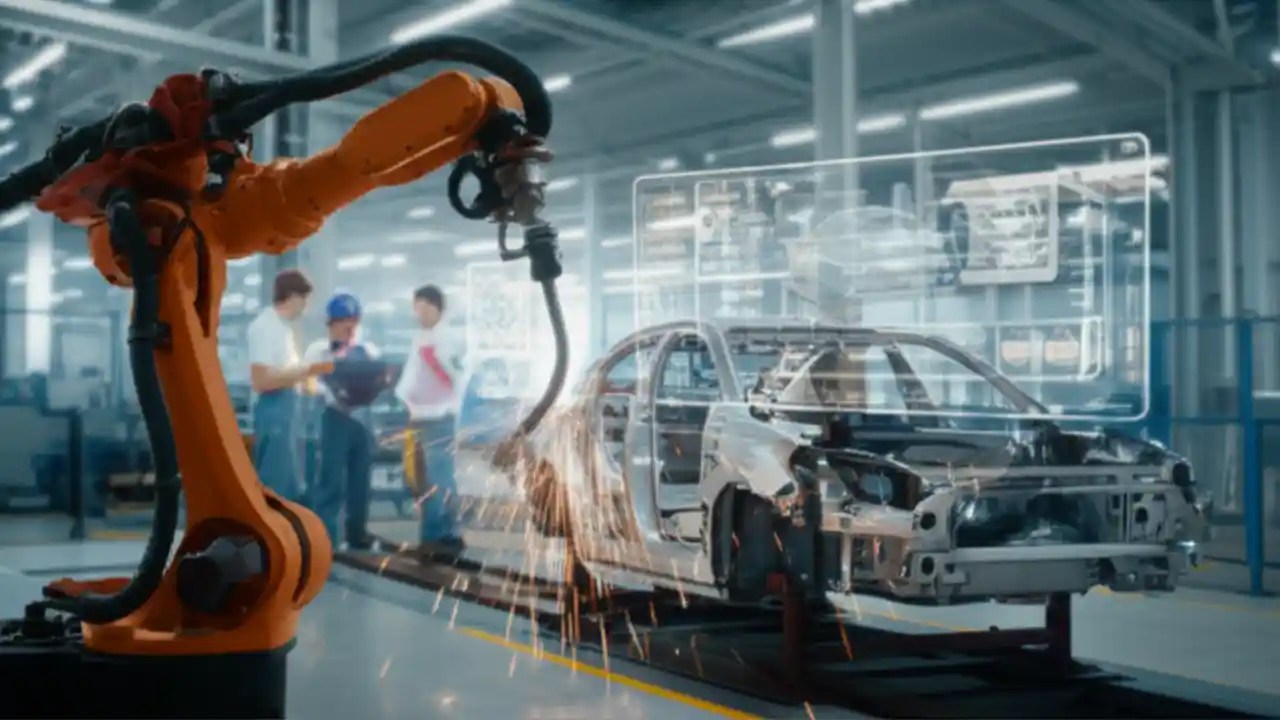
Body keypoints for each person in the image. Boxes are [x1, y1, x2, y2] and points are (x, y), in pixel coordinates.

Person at [302, 292, 392, 550]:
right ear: (331, 323)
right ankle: (324, 537)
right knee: (330, 480)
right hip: (333, 418)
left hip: (362, 420)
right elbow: (309, 381)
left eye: (353, 321)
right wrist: (332, 387)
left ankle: (357, 533)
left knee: (360, 480)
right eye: (343, 321)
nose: (349, 327)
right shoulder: (317, 351)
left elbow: (381, 378)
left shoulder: (369, 350)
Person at [396, 285, 465, 552]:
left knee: (440, 479)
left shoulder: (446, 338)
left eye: (425, 308)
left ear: (437, 307)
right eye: (417, 309)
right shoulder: (423, 338)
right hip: (419, 419)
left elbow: (454, 376)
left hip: (439, 419)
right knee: (422, 482)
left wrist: (435, 362)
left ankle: (445, 535)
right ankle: (430, 536)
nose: (420, 314)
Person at [247, 269, 326, 500]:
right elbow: (261, 380)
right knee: (276, 480)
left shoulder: (283, 329)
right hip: (274, 411)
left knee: (290, 481)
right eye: (304, 300)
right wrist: (303, 372)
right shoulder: (265, 327)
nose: (305, 307)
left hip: (288, 410)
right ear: (292, 296)